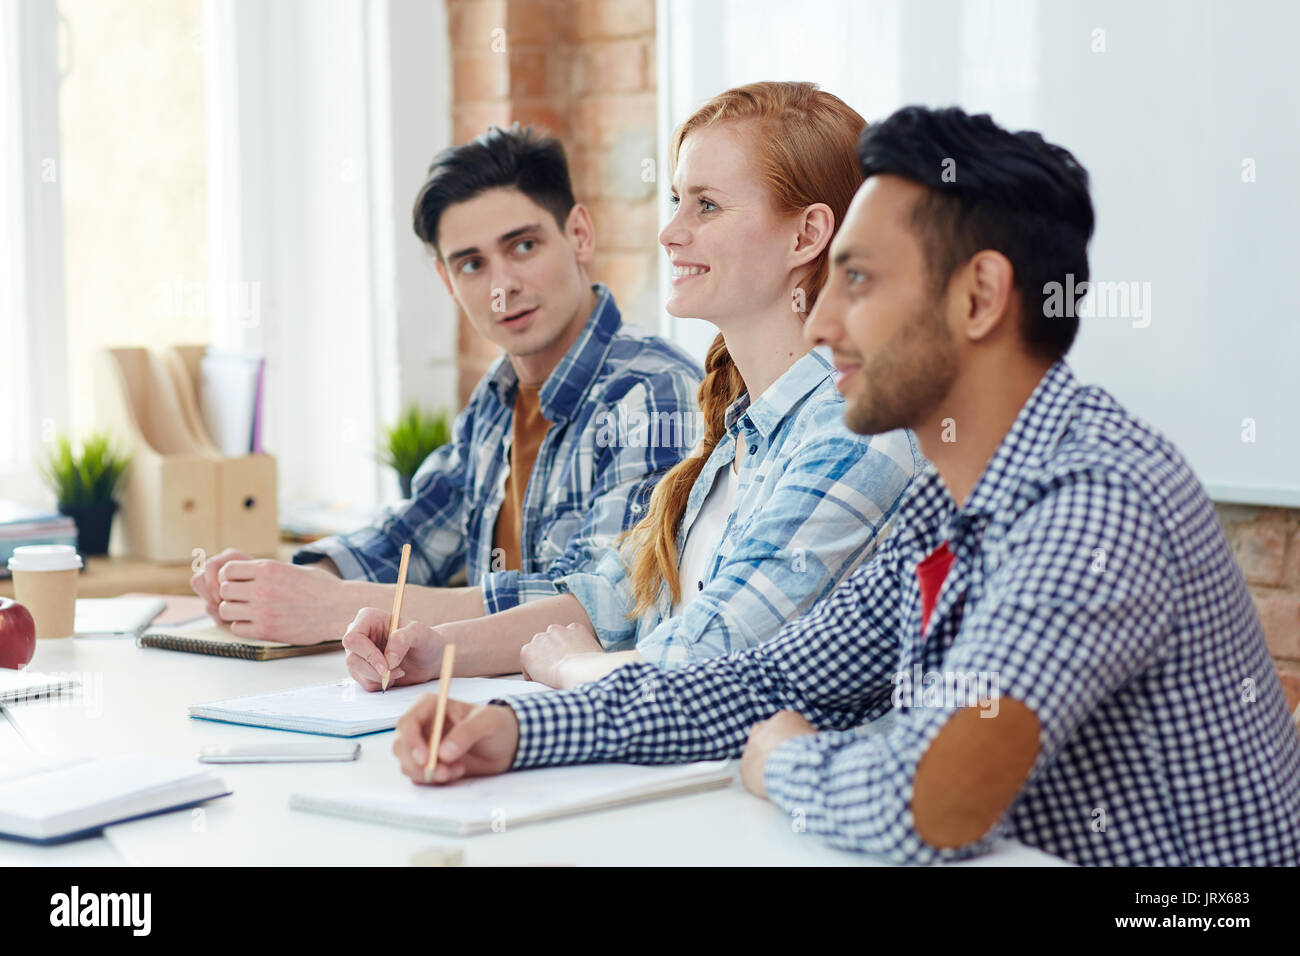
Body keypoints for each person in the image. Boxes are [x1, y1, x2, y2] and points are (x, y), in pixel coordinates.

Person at [384, 105, 1300, 867]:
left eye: (856, 280)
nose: (819, 319)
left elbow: (930, 798)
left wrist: (784, 759)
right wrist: (513, 729)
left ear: (979, 298)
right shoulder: (953, 495)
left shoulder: (1097, 501)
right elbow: (770, 678)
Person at [341, 82, 916, 690]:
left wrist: (574, 667)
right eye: (676, 201)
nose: (670, 232)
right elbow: (609, 599)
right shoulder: (742, 435)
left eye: (707, 206)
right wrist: (435, 651)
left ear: (805, 236)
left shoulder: (857, 429)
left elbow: (713, 655)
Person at [190, 125, 702, 645]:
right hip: (482, 699)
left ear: (579, 235)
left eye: (523, 246)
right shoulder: (497, 398)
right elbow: (415, 534)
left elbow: (611, 605)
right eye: (472, 264)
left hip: (583, 716)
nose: (502, 288)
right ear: (447, 282)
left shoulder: (650, 390)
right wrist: (290, 586)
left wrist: (346, 606)